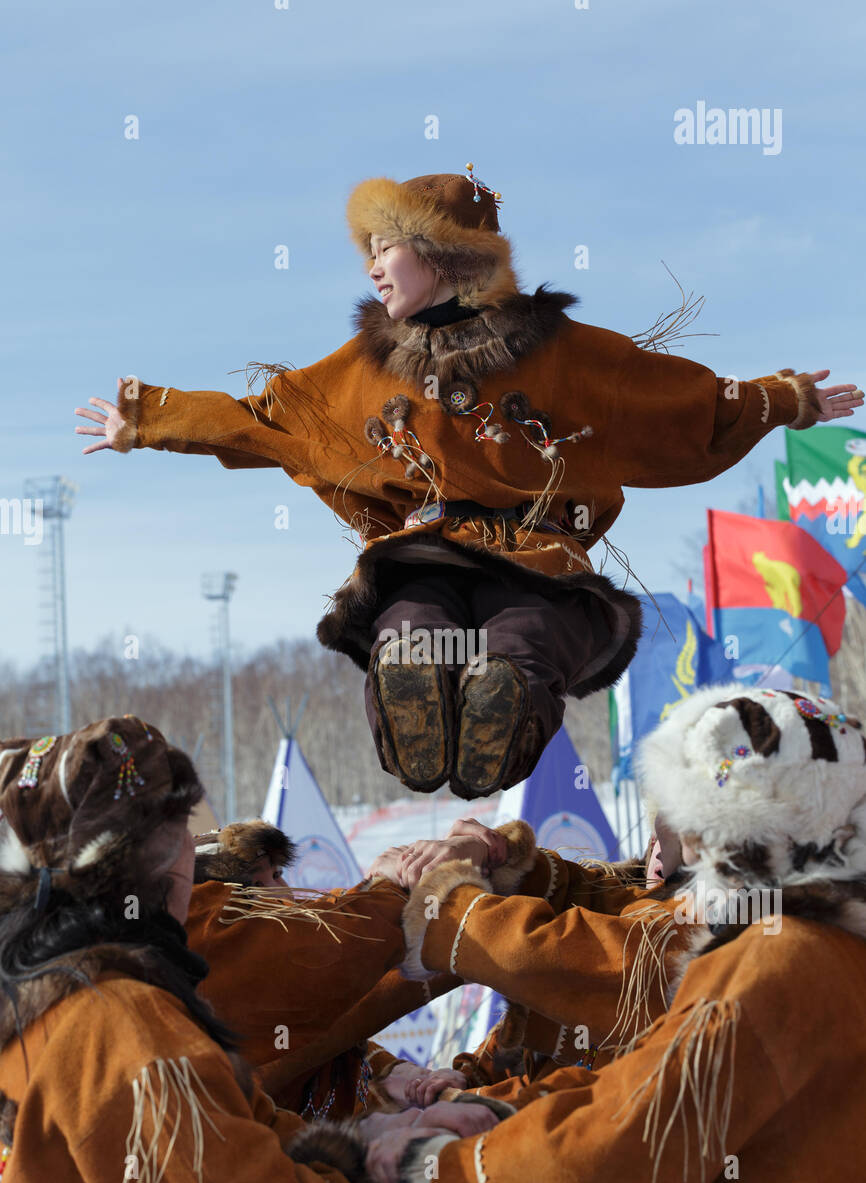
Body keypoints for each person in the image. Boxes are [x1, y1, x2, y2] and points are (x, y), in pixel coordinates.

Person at [73, 167, 864, 800]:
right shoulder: (363, 368)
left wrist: (783, 399)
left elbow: (671, 404)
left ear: (446, 257)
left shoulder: (561, 353)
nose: (372, 267)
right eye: (368, 252)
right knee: (412, 628)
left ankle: (507, 707)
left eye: (387, 248)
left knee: (520, 640)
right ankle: (408, 700)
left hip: (536, 557)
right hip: (425, 549)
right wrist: (152, 421)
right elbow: (268, 417)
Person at [362, 685, 866, 1183]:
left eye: (687, 822)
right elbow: (652, 1081)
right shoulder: (822, 934)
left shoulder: (784, 959)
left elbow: (641, 1138)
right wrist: (496, 1106)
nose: (676, 845)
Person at [0, 717, 497, 1183]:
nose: (187, 845)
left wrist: (377, 1132)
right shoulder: (119, 1016)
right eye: (177, 825)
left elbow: (227, 1131)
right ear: (145, 860)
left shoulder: (41, 994)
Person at [186, 818, 480, 1117]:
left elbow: (345, 1039)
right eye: (256, 884)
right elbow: (348, 980)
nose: (279, 893)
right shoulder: (231, 1003)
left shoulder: (304, 938)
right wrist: (397, 887)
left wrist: (396, 1075)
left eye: (278, 874)